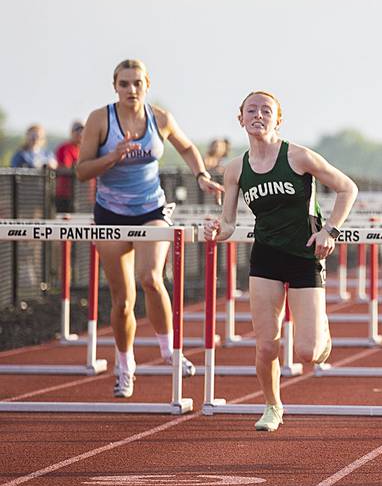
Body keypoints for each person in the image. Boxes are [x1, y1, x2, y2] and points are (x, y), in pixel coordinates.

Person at [201, 91, 358, 431]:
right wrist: (216, 229)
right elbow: (228, 223)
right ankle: (272, 406)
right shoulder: (236, 169)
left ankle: (321, 335)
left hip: (305, 253)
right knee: (266, 343)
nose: (258, 115)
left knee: (307, 353)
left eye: (266, 110)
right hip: (266, 256)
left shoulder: (299, 157)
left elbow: (347, 188)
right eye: (251, 110)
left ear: (278, 119)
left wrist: (329, 231)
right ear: (240, 118)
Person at [75, 60, 222, 398]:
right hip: (110, 213)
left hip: (151, 210)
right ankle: (125, 368)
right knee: (123, 300)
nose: (131, 90)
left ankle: (170, 351)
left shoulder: (160, 118)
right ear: (115, 86)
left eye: (137, 83)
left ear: (147, 84)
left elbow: (185, 146)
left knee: (151, 278)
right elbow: (82, 171)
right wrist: (112, 156)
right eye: (125, 84)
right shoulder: (101, 119)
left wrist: (201, 175)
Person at [53, 120, 84, 214]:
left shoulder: (87, 148)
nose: (80, 133)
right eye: (77, 130)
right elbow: (67, 168)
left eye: (83, 130)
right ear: (71, 132)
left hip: (83, 196)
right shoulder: (65, 148)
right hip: (65, 195)